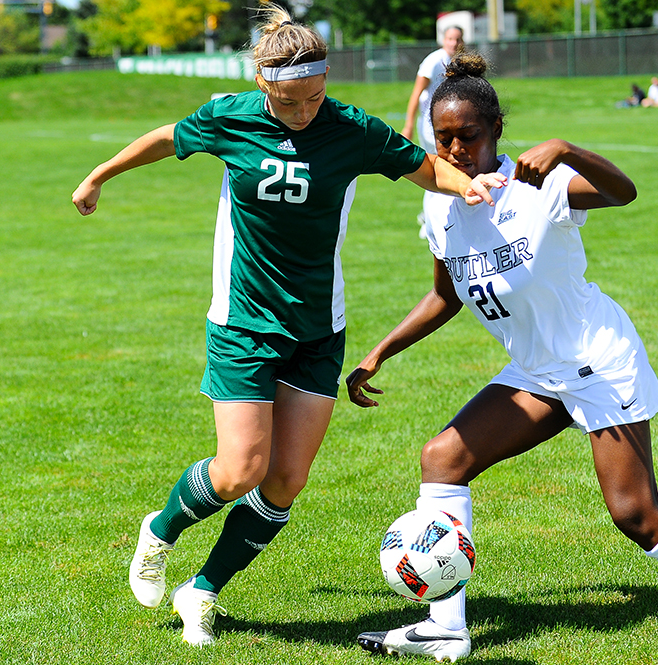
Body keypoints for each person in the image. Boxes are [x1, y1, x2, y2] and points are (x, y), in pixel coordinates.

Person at [71, 6, 502, 649]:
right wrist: (99, 175)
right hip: (243, 322)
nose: (303, 112)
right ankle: (159, 532)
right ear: (262, 84)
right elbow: (166, 138)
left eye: (313, 97)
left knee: (285, 481)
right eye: (288, 101)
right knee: (239, 470)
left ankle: (202, 591)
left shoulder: (352, 129)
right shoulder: (230, 117)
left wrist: (466, 186)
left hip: (318, 328)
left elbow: (424, 166)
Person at [347, 53, 658, 662]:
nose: (456, 150)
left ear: (496, 130)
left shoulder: (538, 185)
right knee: (443, 459)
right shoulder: (439, 204)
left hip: (597, 363)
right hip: (536, 373)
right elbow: (445, 295)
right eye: (444, 138)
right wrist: (380, 352)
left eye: (469, 135)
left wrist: (568, 150)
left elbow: (623, 192)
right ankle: (445, 628)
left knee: (634, 514)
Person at [401, 26, 465, 239]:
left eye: (457, 39)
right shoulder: (433, 61)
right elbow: (416, 93)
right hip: (431, 127)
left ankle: (432, 217)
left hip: (446, 126)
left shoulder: (457, 62)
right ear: (443, 40)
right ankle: (430, 220)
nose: (454, 43)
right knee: (438, 169)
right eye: (450, 38)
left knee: (447, 168)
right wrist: (409, 125)